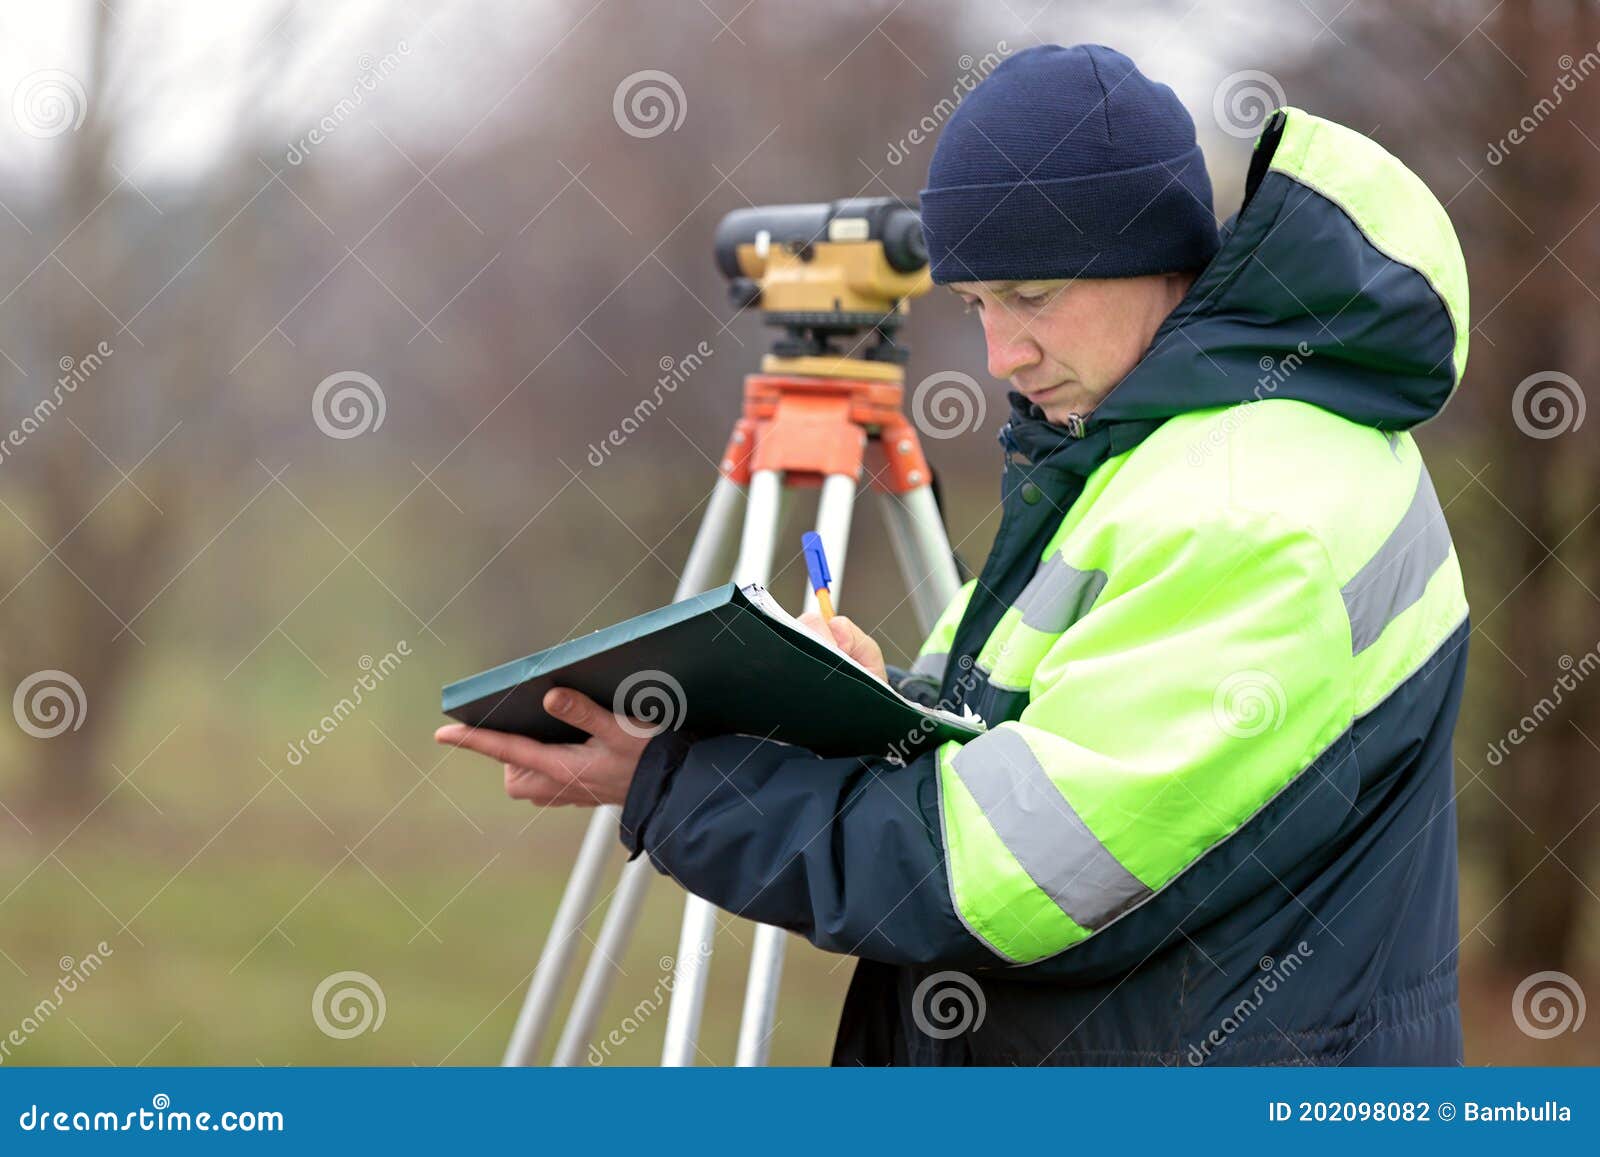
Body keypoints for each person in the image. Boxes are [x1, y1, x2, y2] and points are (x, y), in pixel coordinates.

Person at [436, 44, 1471, 1065]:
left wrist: (675, 784)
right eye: (974, 304)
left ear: (1159, 257)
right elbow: (1029, 750)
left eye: (1030, 296)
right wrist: (850, 709)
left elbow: (997, 875)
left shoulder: (1252, 502)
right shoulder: (1148, 453)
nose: (998, 356)